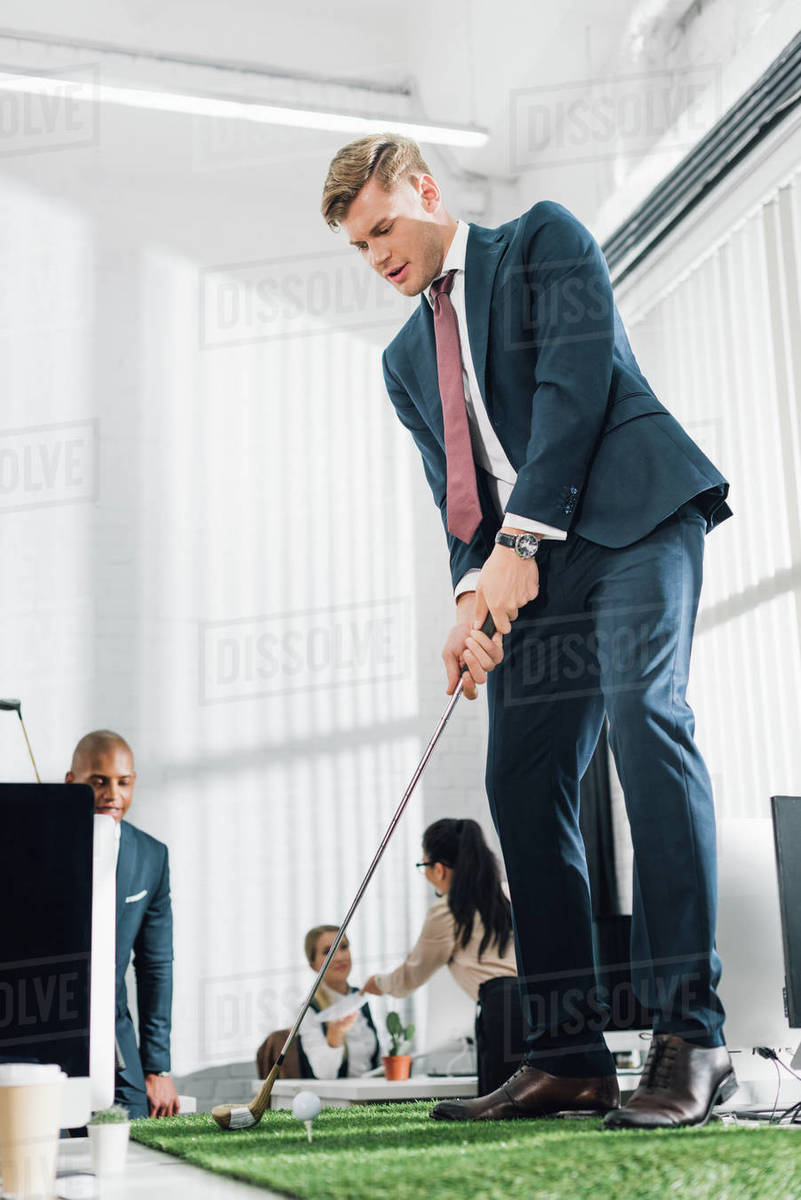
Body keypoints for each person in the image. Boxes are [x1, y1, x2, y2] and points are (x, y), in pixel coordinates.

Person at [320, 135, 736, 1130]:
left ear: (425, 190)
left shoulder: (541, 239)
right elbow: (454, 493)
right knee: (519, 778)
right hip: (530, 569)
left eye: (384, 227)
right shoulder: (401, 360)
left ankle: (692, 1036)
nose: (378, 254)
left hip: (634, 520)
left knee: (645, 719)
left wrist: (519, 540)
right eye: (358, 244)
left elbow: (573, 393)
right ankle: (570, 1055)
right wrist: (471, 602)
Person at [66, 730, 179, 1119]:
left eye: (123, 782)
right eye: (98, 781)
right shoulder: (32, 843)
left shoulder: (152, 857)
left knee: (133, 1135)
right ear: (71, 783)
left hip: (114, 1036)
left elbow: (155, 967)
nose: (112, 793)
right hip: (38, 1025)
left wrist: (156, 1067)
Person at [361, 818, 517, 1002]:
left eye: (424, 865)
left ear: (439, 869)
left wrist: (380, 983)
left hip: (504, 1012)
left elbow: (412, 975)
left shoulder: (448, 911)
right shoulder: (508, 892)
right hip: (541, 1006)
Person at [296, 926, 380, 1079]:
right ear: (313, 965)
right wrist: (335, 1036)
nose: (340, 957)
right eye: (328, 951)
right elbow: (324, 1074)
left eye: (344, 947)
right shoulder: (309, 1010)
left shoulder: (360, 997)